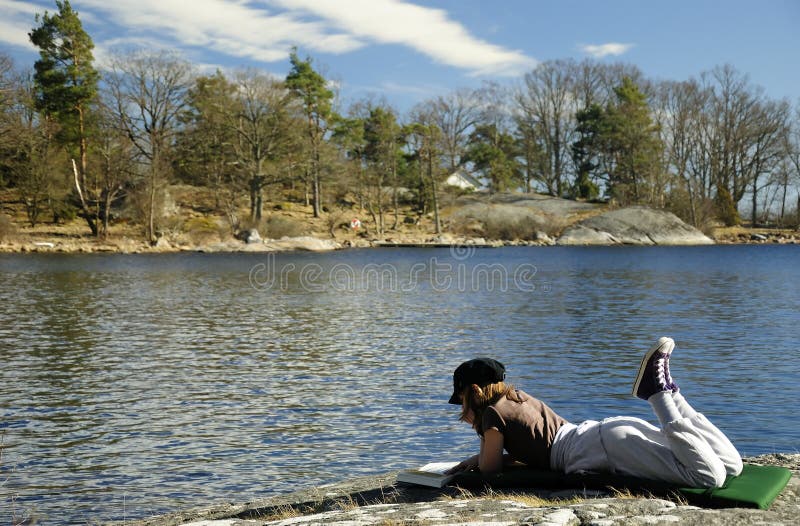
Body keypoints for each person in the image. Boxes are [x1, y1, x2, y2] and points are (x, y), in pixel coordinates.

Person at [446, 337, 743, 488]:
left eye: (461, 399)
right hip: (605, 434)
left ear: (471, 392)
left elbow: (489, 471)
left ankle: (658, 393)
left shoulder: (490, 416)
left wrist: (481, 440)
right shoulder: (517, 397)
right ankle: (672, 394)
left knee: (707, 477)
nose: (461, 407)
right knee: (731, 466)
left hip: (603, 449)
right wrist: (478, 456)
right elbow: (533, 447)